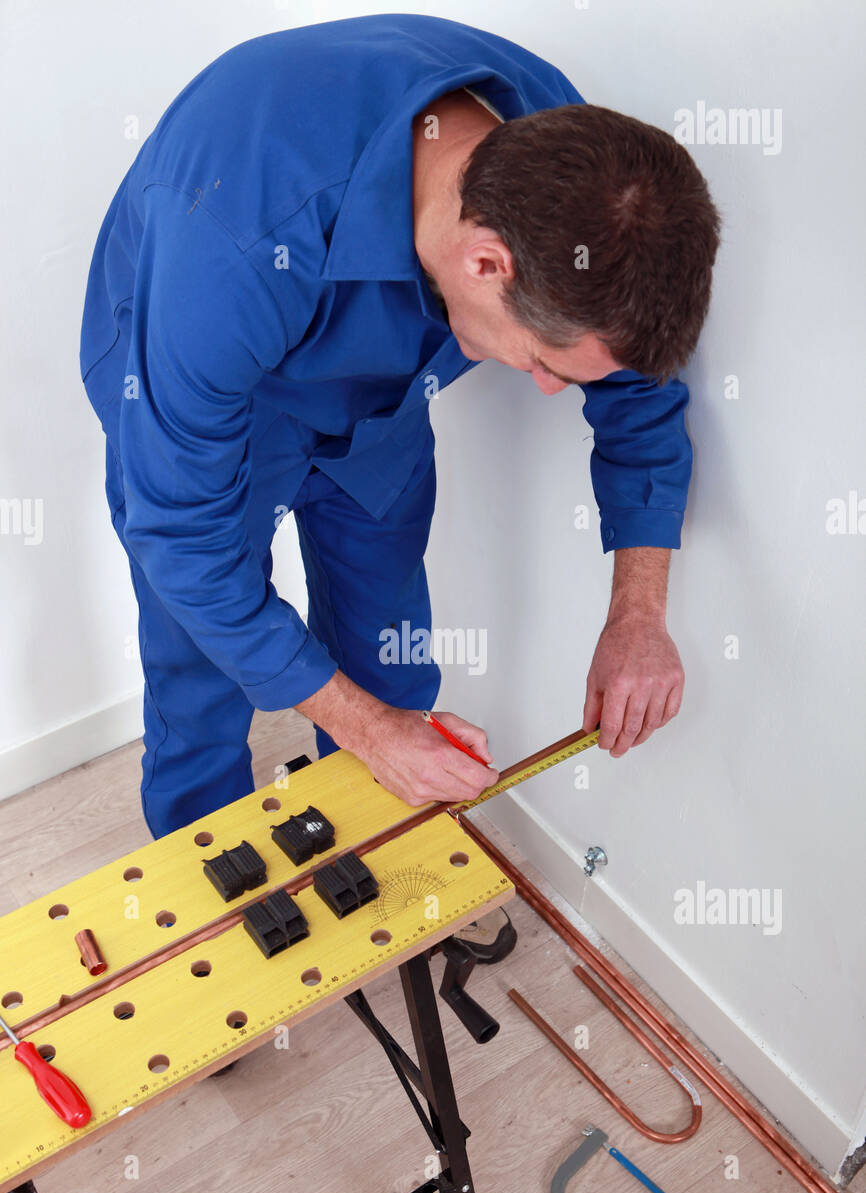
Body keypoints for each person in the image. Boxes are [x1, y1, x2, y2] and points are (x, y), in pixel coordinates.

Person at [79, 13, 720, 839]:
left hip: (384, 402)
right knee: (202, 670)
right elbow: (184, 542)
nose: (550, 390)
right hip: (216, 406)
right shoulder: (236, 231)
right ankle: (228, 911)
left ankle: (381, 874)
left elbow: (637, 393)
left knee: (391, 654)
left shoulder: (573, 166)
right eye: (545, 364)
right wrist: (365, 730)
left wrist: (639, 612)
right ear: (485, 262)